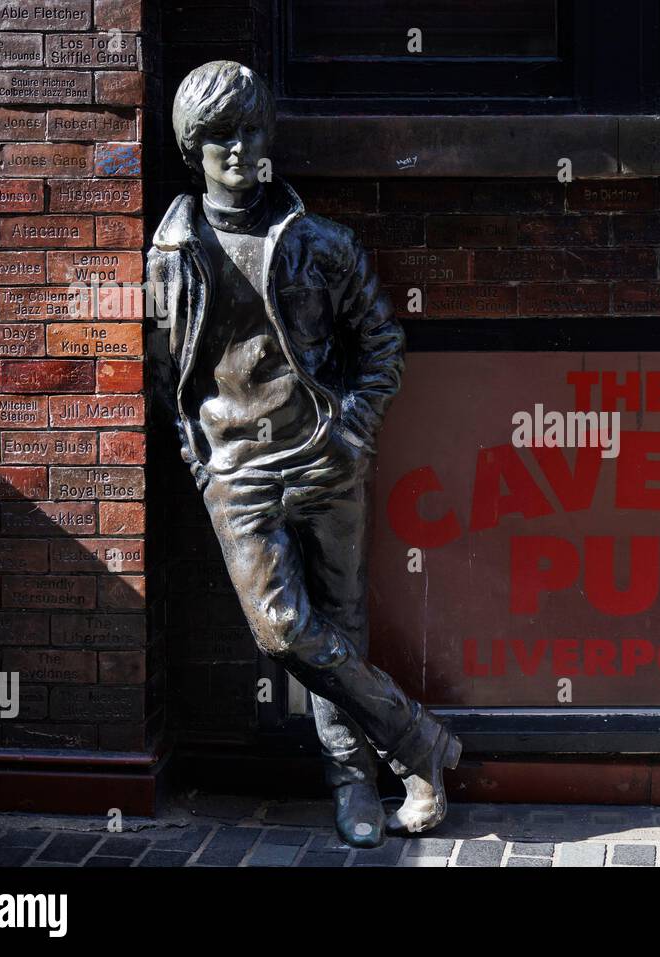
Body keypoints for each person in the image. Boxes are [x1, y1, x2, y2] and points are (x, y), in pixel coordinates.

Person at [147, 60, 460, 849]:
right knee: (284, 630)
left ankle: (353, 785)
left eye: (253, 130)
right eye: (221, 135)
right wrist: (205, 467)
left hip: (328, 460)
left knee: (340, 626)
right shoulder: (173, 255)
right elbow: (166, 378)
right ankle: (420, 742)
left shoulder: (320, 242)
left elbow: (382, 341)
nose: (241, 148)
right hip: (238, 472)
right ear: (192, 148)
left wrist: (352, 430)